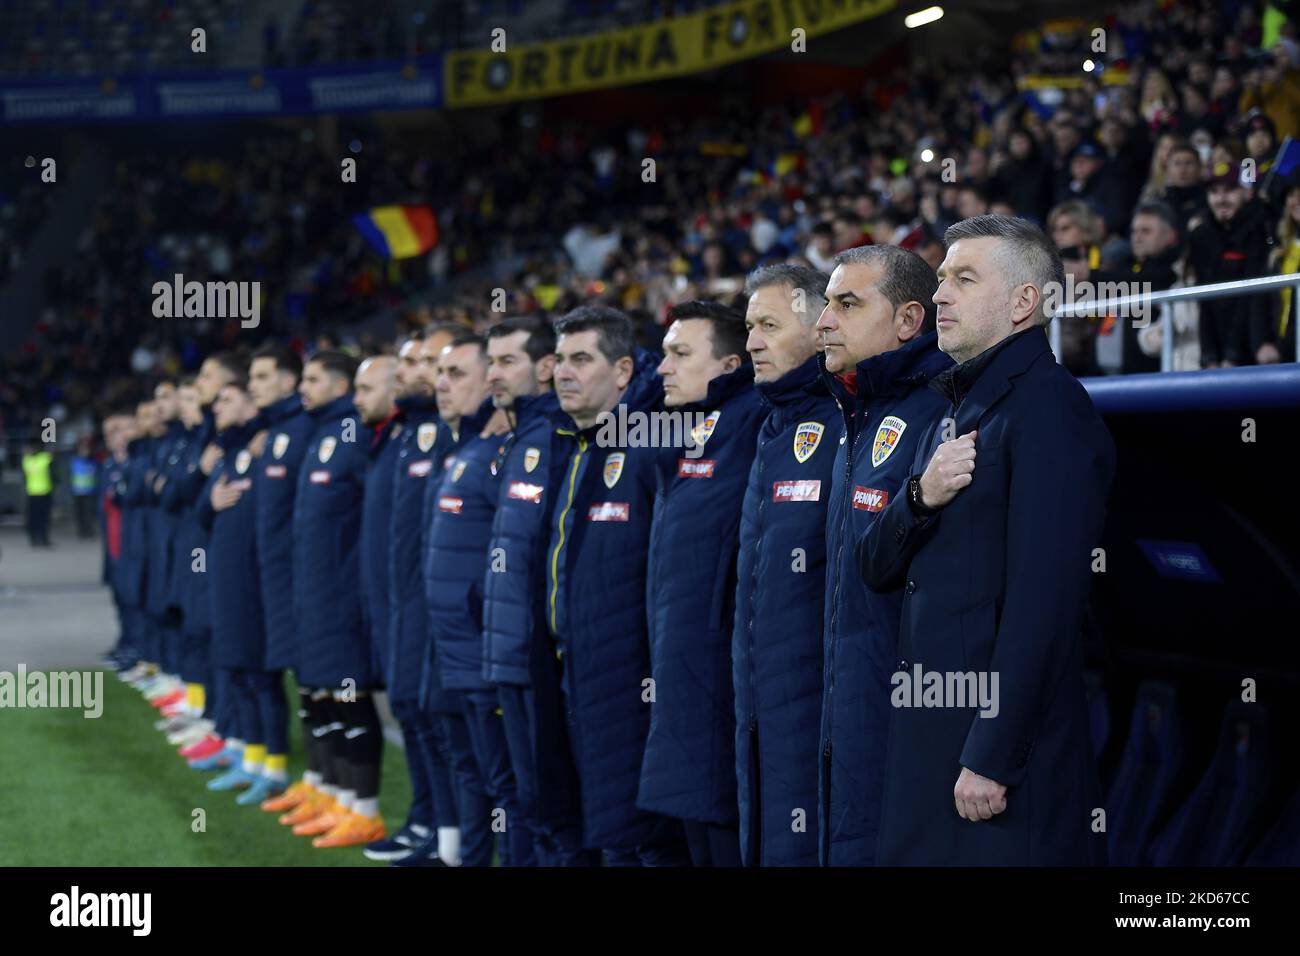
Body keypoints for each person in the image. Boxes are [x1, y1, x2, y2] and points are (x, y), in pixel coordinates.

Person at [860, 214, 1115, 865]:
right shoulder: (949, 411)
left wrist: (993, 756)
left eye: (963, 279)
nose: (940, 293)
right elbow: (875, 566)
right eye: (942, 278)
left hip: (997, 773)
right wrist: (920, 497)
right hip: (930, 745)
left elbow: (1045, 604)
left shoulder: (1051, 409)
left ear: (1024, 301)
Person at [815, 245, 951, 866]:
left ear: (907, 320)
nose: (824, 322)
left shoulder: (938, 414)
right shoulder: (859, 412)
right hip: (848, 715)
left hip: (909, 732)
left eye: (846, 304)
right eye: (825, 305)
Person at [543, 306, 688, 866]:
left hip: (633, 682)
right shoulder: (574, 441)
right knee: (589, 823)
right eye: (558, 360)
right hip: (571, 671)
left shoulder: (651, 443)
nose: (563, 372)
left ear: (623, 371)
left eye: (581, 359)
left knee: (637, 835)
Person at [639, 300, 766, 867]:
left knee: (720, 828)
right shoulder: (687, 428)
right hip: (678, 666)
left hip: (720, 673)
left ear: (730, 364)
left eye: (680, 354)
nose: (661, 368)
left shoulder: (754, 419)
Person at [731, 263, 836, 867]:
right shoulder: (775, 424)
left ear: (821, 325)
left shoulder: (851, 421)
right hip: (759, 700)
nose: (751, 343)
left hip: (815, 709)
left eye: (768, 325)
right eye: (748, 326)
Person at [423, 323, 536, 867]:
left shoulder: (504, 450)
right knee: (471, 768)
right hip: (454, 647)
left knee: (506, 785)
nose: (441, 383)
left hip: (484, 649)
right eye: (439, 373)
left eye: (454, 373)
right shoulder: (466, 447)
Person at [282, 350, 385, 849]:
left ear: (341, 384)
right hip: (314, 591)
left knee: (348, 696)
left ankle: (364, 809)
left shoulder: (352, 432)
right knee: (318, 692)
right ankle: (331, 792)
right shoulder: (323, 432)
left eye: (314, 379)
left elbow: (370, 516)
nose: (303, 387)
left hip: (342, 596)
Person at [364, 327, 459, 865]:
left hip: (432, 609)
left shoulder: (451, 434)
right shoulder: (403, 435)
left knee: (434, 716)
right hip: (398, 603)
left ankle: (451, 834)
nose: (411, 372)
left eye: (425, 361)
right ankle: (427, 820)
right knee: (409, 709)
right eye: (408, 362)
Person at [245, 343, 318, 809]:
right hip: (273, 577)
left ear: (287, 382)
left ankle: (331, 786)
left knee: (318, 683)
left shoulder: (307, 429)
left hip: (304, 581)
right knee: (294, 677)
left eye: (261, 377)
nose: (253, 386)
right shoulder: (274, 432)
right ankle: (316, 782)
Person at [200, 375, 273, 802]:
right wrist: (210, 498)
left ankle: (272, 765)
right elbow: (199, 508)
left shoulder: (266, 449)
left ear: (249, 404)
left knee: (259, 675)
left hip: (257, 583)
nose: (216, 406)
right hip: (227, 580)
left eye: (226, 398)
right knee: (236, 667)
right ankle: (247, 755)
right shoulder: (232, 453)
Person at [1190, 161, 1275, 367]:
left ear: (1246, 193)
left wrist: (1232, 355)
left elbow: (1251, 295)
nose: (1221, 200)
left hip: (1252, 353)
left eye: (1229, 191)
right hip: (1217, 356)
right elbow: (1204, 300)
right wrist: (1209, 357)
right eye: (1214, 192)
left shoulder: (1260, 229)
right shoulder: (1201, 236)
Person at [21, 441, 54, 547]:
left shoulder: (43, 458)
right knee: (34, 518)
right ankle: (34, 539)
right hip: (32, 493)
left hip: (44, 492)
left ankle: (43, 538)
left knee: (44, 518)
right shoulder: (26, 460)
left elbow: (53, 472)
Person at [70, 436, 99, 539]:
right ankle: (81, 530)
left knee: (88, 513)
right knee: (79, 513)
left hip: (89, 492)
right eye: (82, 450)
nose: (84, 452)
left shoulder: (93, 462)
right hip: (77, 492)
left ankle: (88, 530)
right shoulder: (75, 461)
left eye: (86, 450)